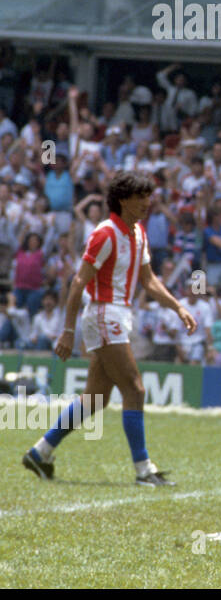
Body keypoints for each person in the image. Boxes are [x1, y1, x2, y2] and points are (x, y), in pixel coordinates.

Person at [23, 171, 197, 486]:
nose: (147, 202)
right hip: (104, 314)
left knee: (96, 398)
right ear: (123, 200)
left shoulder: (139, 232)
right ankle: (144, 471)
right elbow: (79, 281)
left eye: (148, 196)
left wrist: (178, 306)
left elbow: (149, 281)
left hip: (117, 315)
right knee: (135, 388)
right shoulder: (105, 234)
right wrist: (67, 330)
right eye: (141, 197)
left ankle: (41, 452)